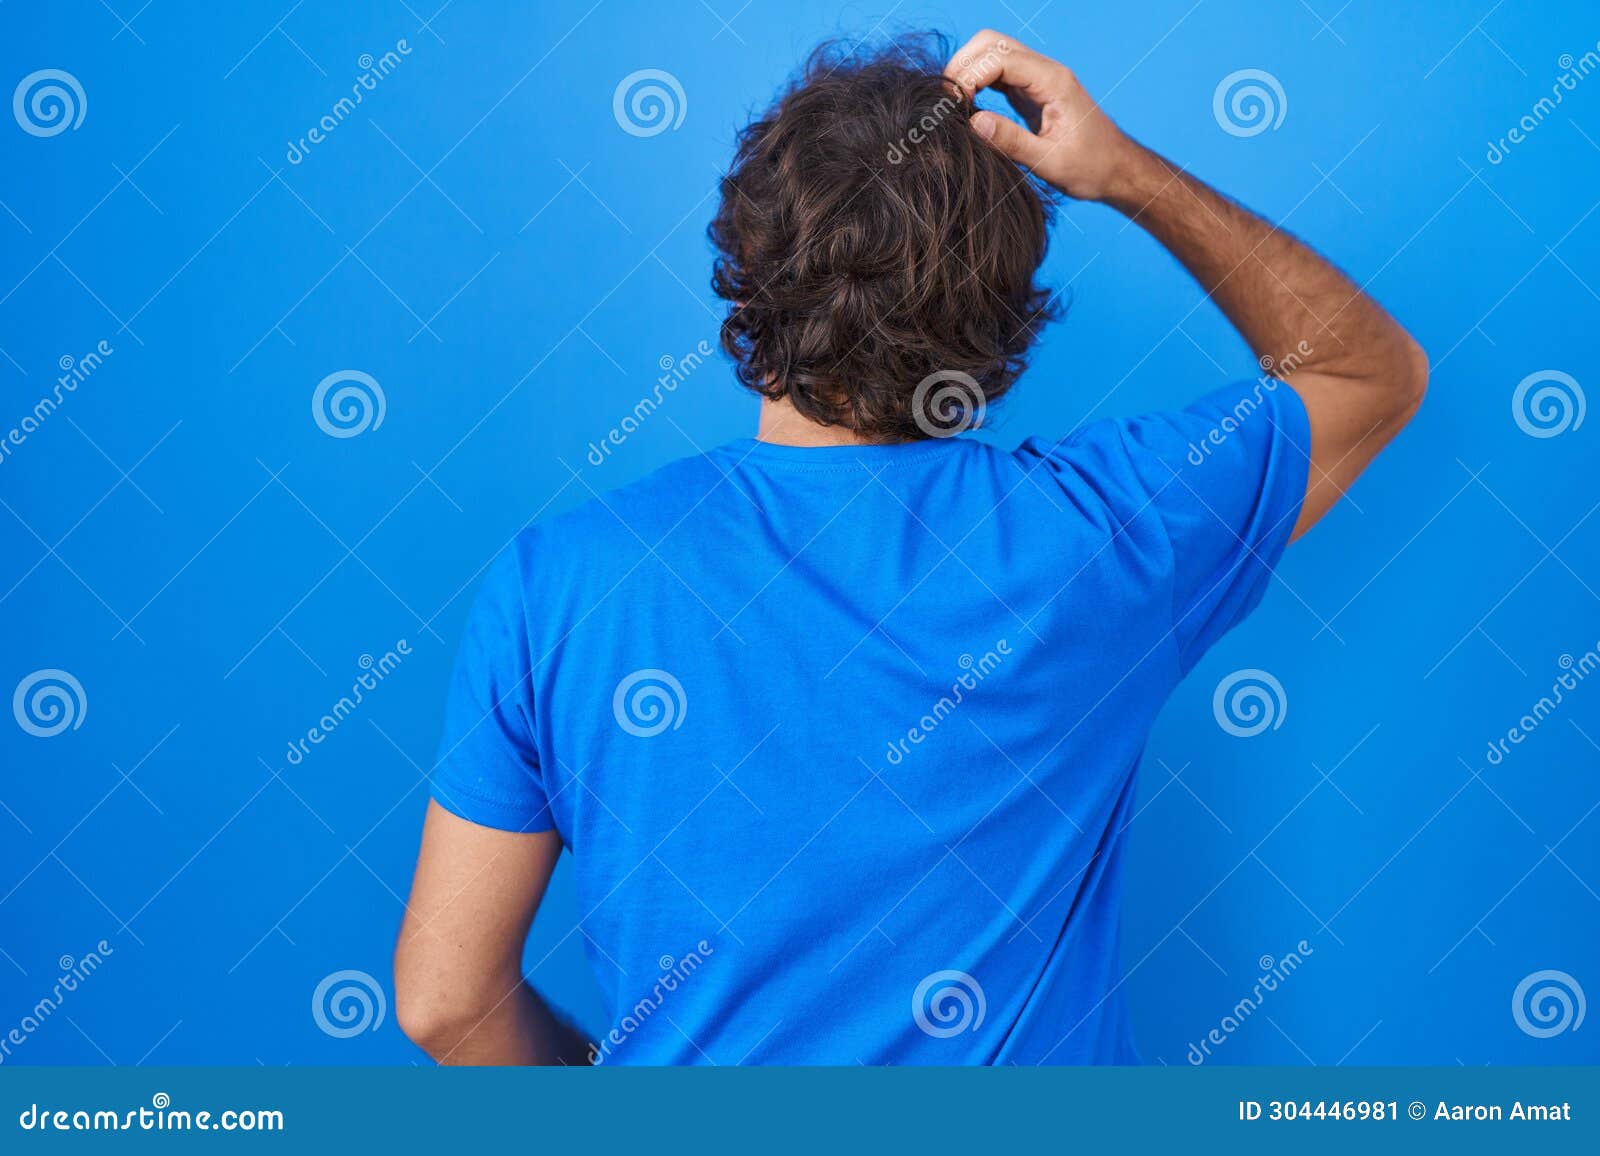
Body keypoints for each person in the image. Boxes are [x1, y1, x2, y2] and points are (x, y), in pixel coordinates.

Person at [393, 30, 1426, 1065]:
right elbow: (1365, 372)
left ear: (748, 263)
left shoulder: (560, 579)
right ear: (1002, 311)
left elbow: (445, 1000)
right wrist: (1123, 175)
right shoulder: (1104, 533)